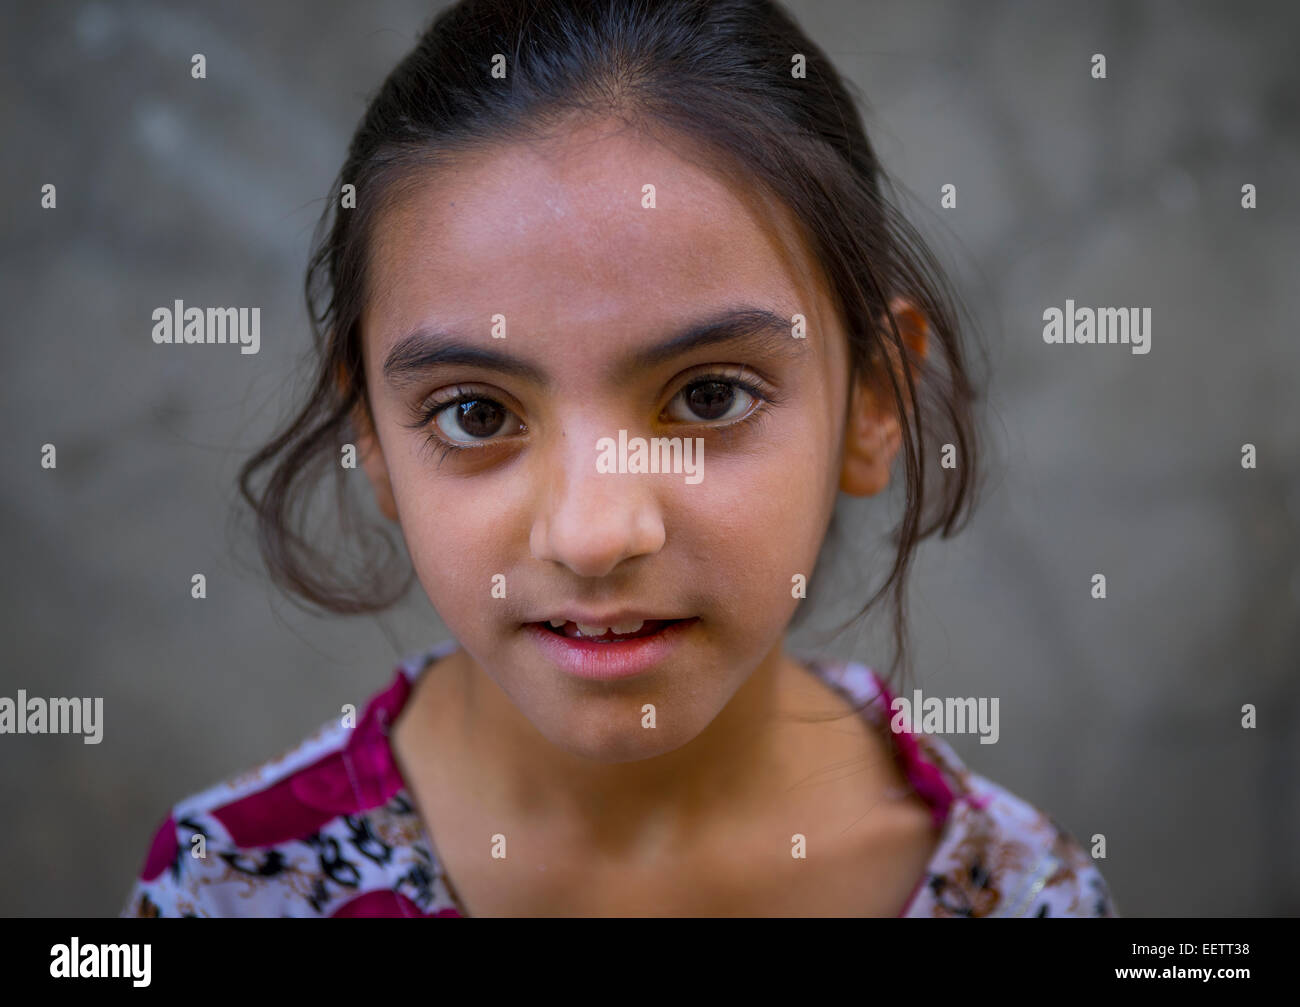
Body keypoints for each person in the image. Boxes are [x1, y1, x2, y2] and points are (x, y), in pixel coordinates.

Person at [121, 0, 1115, 918]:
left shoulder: (1026, 895)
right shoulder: (231, 887)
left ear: (870, 403)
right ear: (372, 435)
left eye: (709, 396)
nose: (594, 535)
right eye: (475, 412)